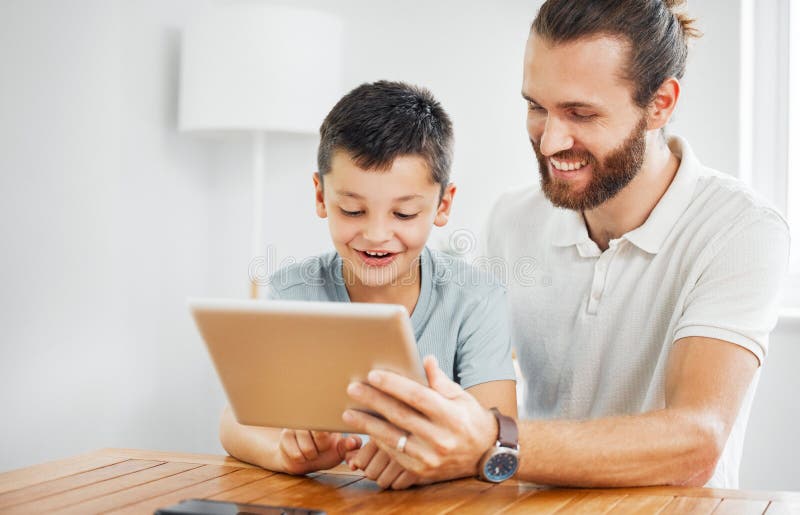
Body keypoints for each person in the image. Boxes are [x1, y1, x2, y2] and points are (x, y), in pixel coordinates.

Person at [341, 0, 790, 489]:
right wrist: (412, 434)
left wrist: (491, 442)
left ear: (660, 104)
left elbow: (697, 442)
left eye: (581, 113)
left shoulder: (739, 230)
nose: (550, 141)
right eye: (537, 107)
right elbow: (462, 383)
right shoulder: (512, 220)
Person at [218, 80, 517, 490]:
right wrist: (283, 453)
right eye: (352, 210)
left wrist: (438, 459)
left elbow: (500, 436)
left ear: (443, 205)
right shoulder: (293, 293)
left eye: (404, 214)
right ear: (321, 197)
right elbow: (235, 420)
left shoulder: (475, 300)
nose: (376, 235)